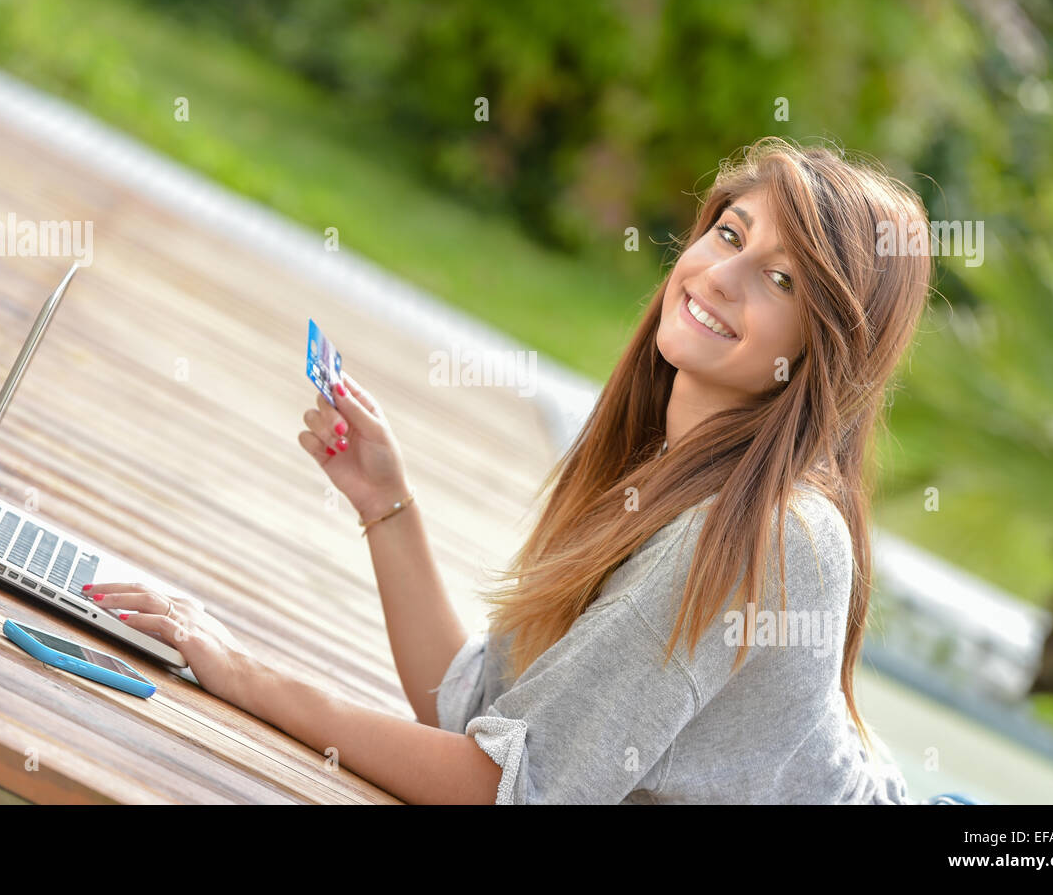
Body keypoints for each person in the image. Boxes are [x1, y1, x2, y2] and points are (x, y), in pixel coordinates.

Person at [87, 136, 934, 804]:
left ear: (822, 349)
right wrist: (387, 505)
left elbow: (502, 791)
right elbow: (476, 719)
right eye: (729, 232)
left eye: (779, 279)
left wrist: (242, 673)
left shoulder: (773, 533)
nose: (722, 275)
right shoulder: (657, 468)